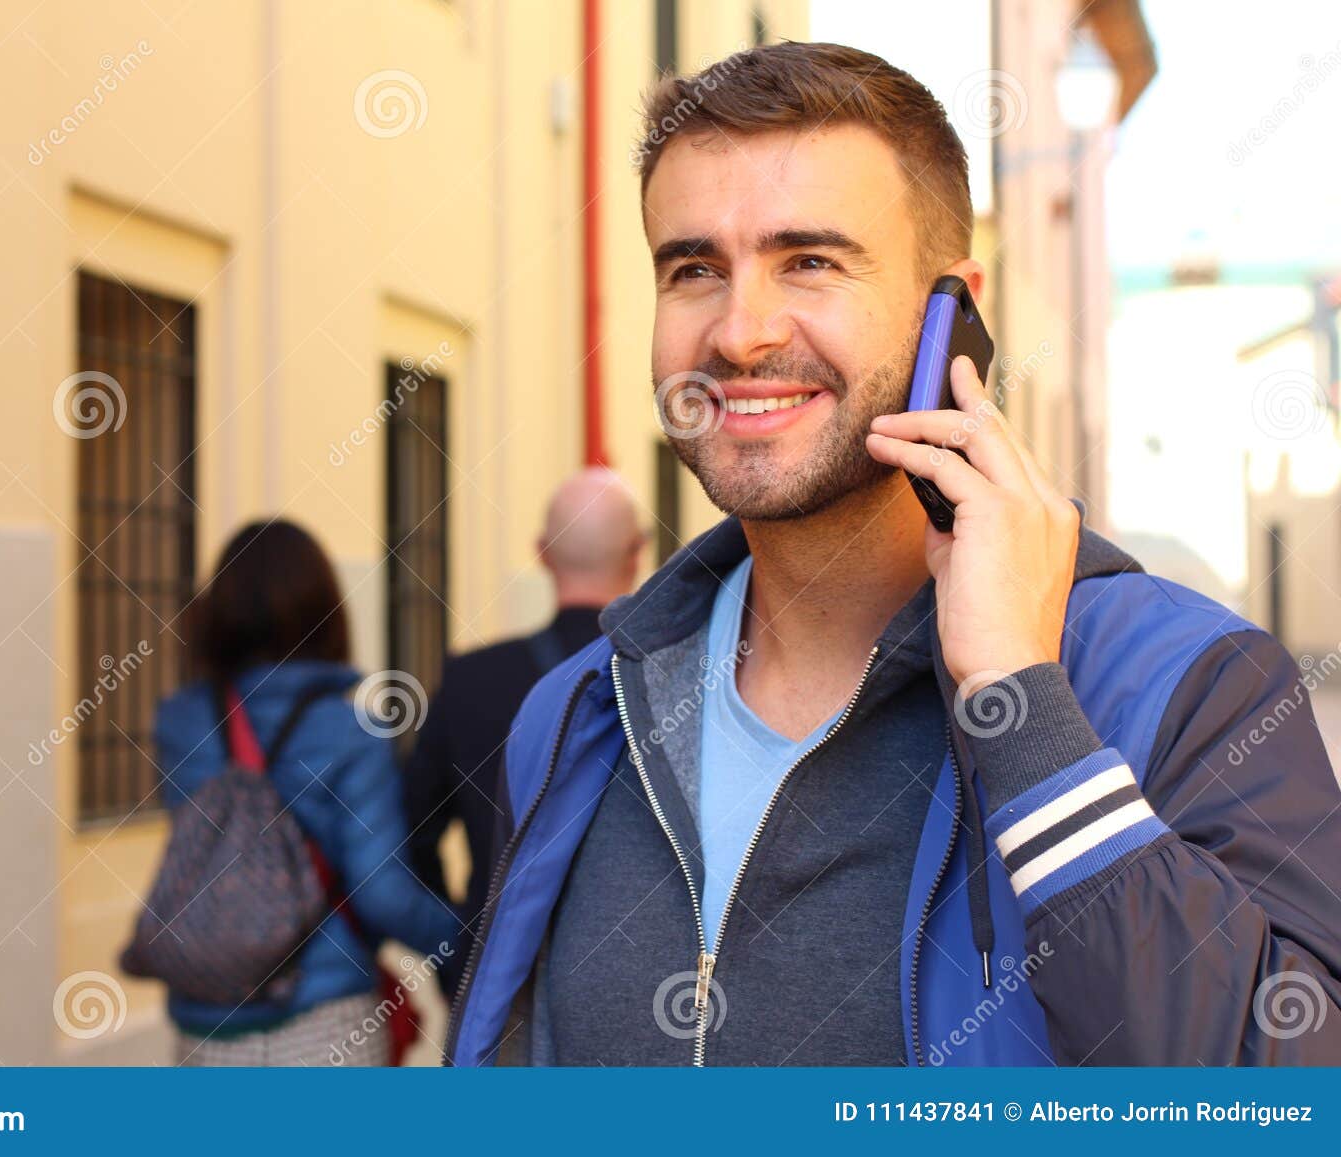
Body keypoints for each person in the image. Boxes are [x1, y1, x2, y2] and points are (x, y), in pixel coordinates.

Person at [445, 42, 1341, 1066]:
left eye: (810, 261)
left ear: (947, 315)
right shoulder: (575, 714)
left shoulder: (1189, 685)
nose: (739, 332)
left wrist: (1026, 710)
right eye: (693, 269)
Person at [155, 519, 459, 1065]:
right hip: (323, 1021)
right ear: (325, 612)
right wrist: (471, 939)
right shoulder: (353, 734)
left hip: (207, 1024)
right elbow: (381, 893)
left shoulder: (180, 723)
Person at [404, 468, 644, 995]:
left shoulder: (470, 679)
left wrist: (457, 943)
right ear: (638, 552)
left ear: (542, 552)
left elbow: (412, 834)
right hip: (628, 986)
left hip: (493, 980)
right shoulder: (665, 676)